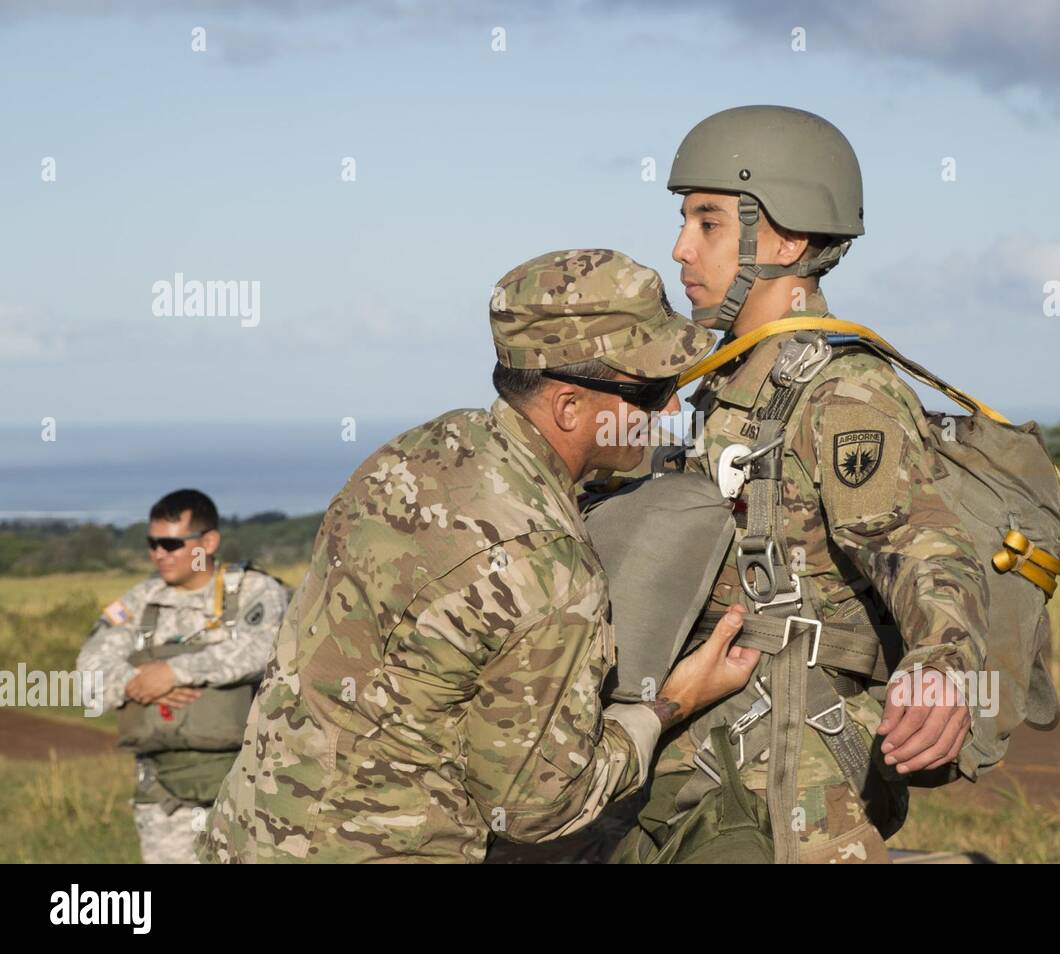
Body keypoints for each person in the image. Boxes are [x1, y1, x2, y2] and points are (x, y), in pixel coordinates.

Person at [197, 248, 760, 863]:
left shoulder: (412, 454)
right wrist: (671, 703)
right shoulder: (550, 572)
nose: (671, 410)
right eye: (651, 392)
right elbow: (537, 808)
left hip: (249, 834)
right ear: (569, 408)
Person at [616, 106, 992, 864]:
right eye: (685, 221)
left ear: (784, 240)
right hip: (709, 740)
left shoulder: (843, 393)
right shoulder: (724, 389)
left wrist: (942, 664)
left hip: (795, 762)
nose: (680, 247)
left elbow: (925, 550)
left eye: (709, 223)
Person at [76, 488, 287, 864]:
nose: (159, 553)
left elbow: (265, 649)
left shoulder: (254, 591)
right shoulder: (142, 601)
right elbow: (88, 676)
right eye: (152, 543)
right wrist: (135, 682)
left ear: (208, 542)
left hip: (253, 789)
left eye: (171, 543)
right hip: (165, 797)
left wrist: (175, 672)